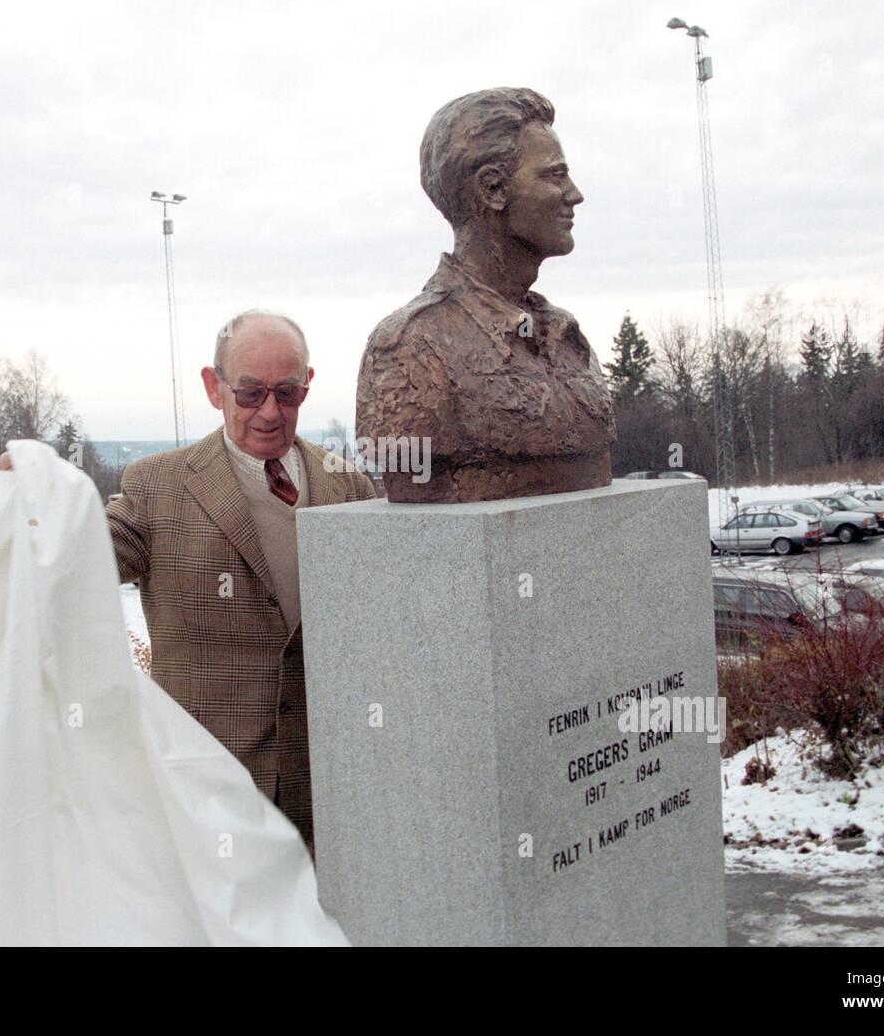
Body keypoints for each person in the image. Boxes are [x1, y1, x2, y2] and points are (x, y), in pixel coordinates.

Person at [101, 312, 374, 849]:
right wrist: (36, 513)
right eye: (249, 393)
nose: (270, 412)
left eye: (287, 393)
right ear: (213, 386)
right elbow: (84, 559)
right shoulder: (155, 487)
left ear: (307, 385)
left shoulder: (351, 485)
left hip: (332, 797)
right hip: (209, 800)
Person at [355, 87, 616, 502]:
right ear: (493, 189)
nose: (574, 194)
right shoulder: (410, 348)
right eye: (554, 175)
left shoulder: (568, 338)